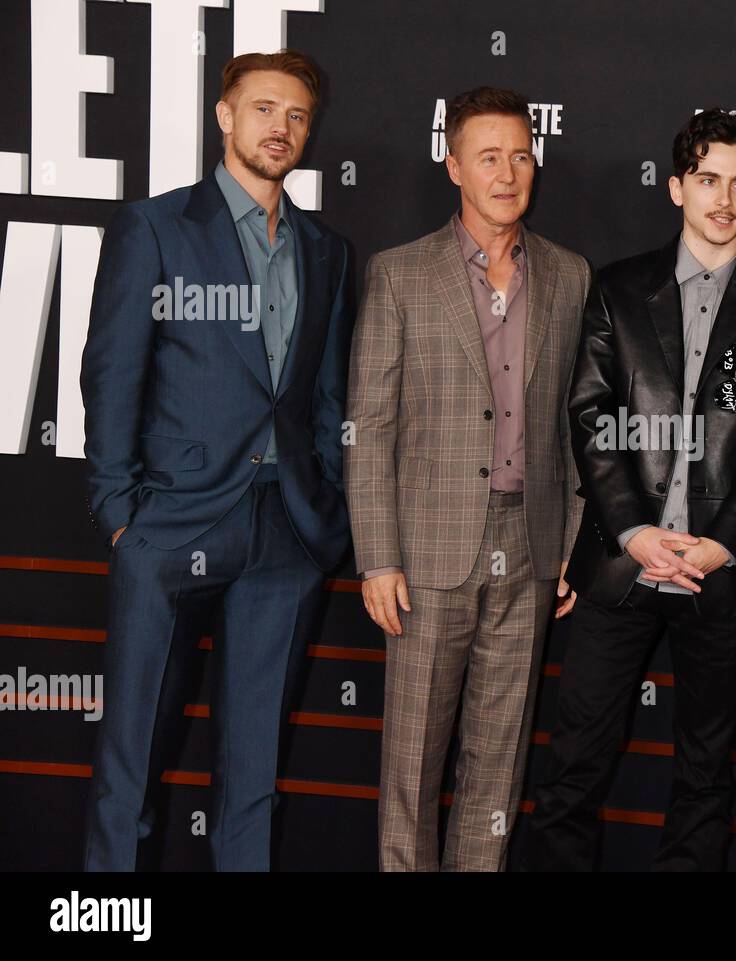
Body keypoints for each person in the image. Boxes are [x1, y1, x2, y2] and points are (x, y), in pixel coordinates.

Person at [521, 108, 736, 871]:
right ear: (677, 186)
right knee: (572, 767)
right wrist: (633, 531)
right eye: (708, 179)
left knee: (704, 773)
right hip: (620, 566)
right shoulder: (616, 289)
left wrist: (720, 543)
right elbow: (589, 417)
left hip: (720, 572)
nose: (723, 199)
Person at [80, 50, 354, 871]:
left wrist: (327, 511)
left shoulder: (327, 250)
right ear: (225, 116)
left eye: (298, 115)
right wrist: (120, 512)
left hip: (285, 534)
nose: (282, 127)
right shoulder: (155, 227)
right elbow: (111, 373)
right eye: (265, 108)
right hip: (169, 523)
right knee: (131, 766)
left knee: (255, 774)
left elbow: (330, 397)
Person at [344, 86, 589, 871]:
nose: (508, 172)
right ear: (454, 166)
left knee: (497, 766)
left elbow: (579, 421)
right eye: (489, 157)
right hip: (427, 549)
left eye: (521, 155)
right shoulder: (399, 275)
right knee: (412, 767)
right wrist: (378, 555)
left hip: (530, 547)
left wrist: (571, 542)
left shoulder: (570, 275)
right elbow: (369, 425)